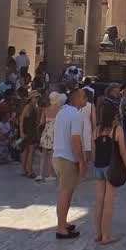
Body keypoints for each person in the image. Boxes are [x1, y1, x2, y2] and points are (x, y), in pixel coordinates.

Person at [53, 86, 88, 240]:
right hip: (67, 158)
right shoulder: (75, 115)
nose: (86, 100)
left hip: (58, 155)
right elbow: (75, 140)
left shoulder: (63, 112)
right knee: (65, 193)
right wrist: (82, 161)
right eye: (83, 97)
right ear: (76, 99)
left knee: (66, 191)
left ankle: (64, 223)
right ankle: (61, 228)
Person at [92, 95, 126, 245]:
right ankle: (107, 236)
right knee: (109, 203)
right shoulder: (117, 130)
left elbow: (94, 150)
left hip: (98, 167)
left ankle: (99, 234)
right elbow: (123, 151)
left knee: (99, 201)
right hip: (111, 168)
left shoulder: (97, 129)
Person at [38, 92, 62, 182]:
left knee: (43, 155)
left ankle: (40, 174)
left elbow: (41, 122)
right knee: (52, 154)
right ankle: (50, 174)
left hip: (46, 132)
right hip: (55, 133)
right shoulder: (59, 109)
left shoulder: (46, 109)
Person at [19, 92, 41, 178]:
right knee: (29, 151)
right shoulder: (27, 107)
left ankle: (26, 169)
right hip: (27, 130)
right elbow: (21, 120)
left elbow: (37, 123)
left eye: (37, 98)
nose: (36, 99)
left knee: (29, 150)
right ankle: (29, 170)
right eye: (35, 97)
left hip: (32, 131)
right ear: (31, 98)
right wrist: (21, 132)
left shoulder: (36, 108)